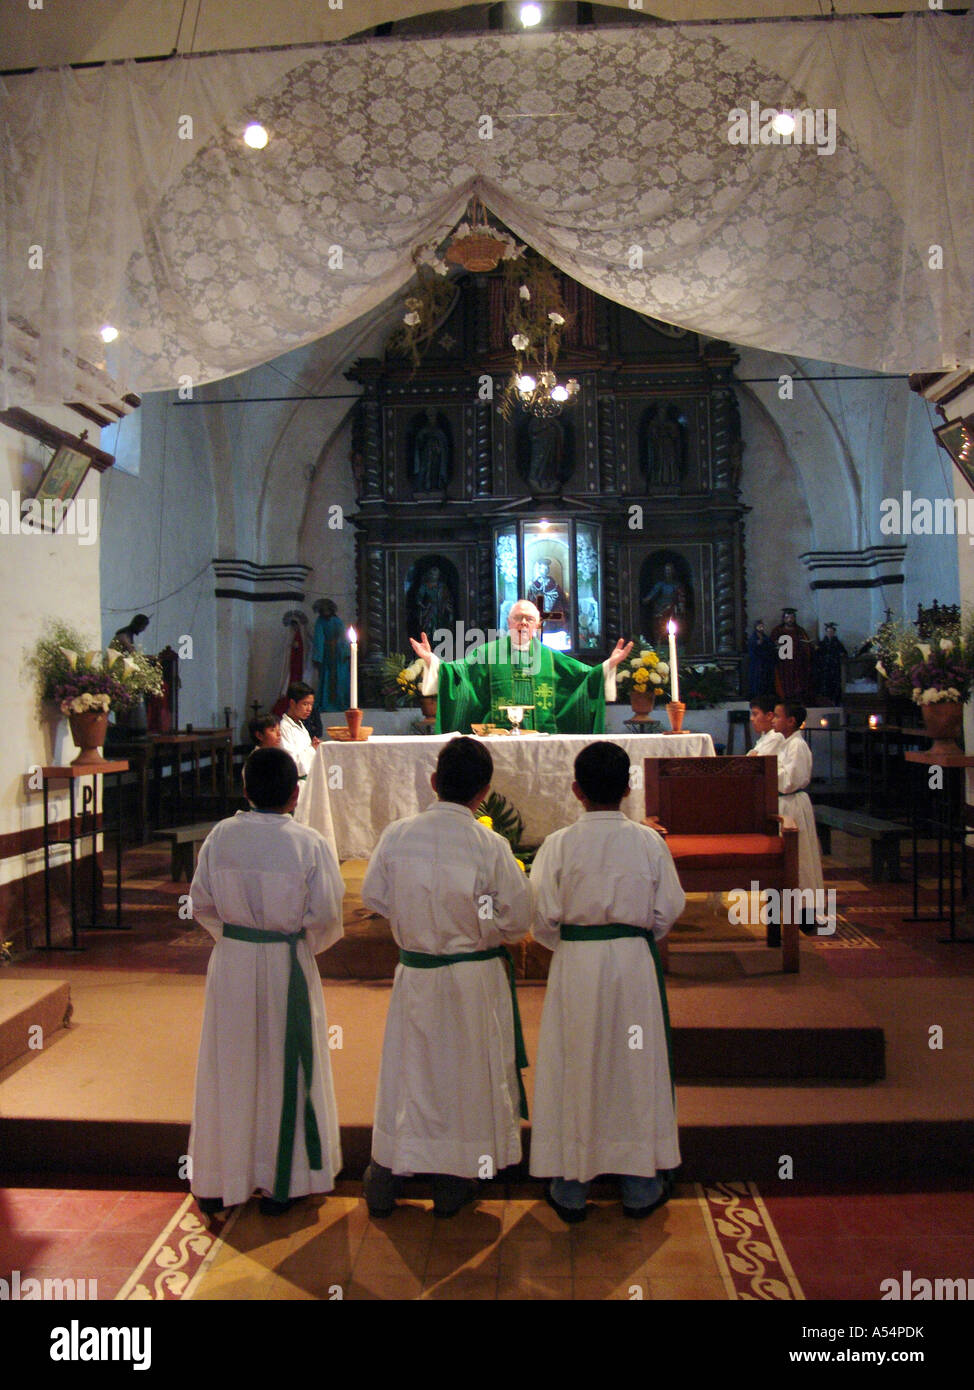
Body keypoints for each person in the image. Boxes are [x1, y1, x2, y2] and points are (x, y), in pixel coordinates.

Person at [360, 737, 531, 1218]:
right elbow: (518, 919)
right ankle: (454, 1180)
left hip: (416, 973)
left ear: (434, 782)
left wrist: (415, 920)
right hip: (472, 979)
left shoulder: (398, 834)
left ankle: (387, 1173)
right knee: (465, 1076)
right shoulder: (489, 844)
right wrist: (481, 929)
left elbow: (374, 896)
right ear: (484, 793)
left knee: (408, 1072)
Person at [529, 742, 685, 1223]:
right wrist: (637, 936)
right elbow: (670, 908)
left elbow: (540, 916)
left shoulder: (557, 843)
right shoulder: (647, 842)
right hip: (633, 963)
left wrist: (572, 944)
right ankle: (640, 1183)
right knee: (633, 1066)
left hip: (577, 961)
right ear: (628, 787)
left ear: (576, 790)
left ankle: (571, 1184)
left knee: (577, 1063)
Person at [188, 747, 345, 1217]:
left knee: (230, 1065)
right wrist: (293, 947)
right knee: (286, 1067)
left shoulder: (220, 836)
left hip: (233, 963)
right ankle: (285, 1182)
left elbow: (201, 903)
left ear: (244, 788)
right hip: (286, 965)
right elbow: (328, 917)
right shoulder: (309, 843)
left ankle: (221, 1177)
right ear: (296, 794)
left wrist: (238, 941)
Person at [410, 599, 632, 734]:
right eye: (518, 618)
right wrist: (432, 660)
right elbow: (459, 673)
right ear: (508, 623)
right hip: (497, 742)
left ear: (537, 625)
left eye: (528, 619)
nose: (523, 622)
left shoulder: (552, 658)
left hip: (542, 744)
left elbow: (585, 677)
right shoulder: (489, 653)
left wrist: (608, 665)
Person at [772, 701, 826, 936]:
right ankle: (788, 910)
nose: (773, 720)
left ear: (791, 721)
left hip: (793, 803)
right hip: (785, 803)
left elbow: (789, 779)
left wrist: (766, 771)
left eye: (777, 716)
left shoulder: (797, 746)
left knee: (801, 859)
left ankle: (806, 914)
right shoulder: (786, 743)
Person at [311, 600, 350, 714]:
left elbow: (343, 637)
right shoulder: (321, 622)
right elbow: (318, 639)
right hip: (328, 654)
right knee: (328, 678)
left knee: (340, 678)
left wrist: (345, 653)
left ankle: (340, 702)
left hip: (337, 654)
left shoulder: (336, 621)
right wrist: (318, 657)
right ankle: (327, 702)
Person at [770, 608, 813, 703]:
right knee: (783, 682)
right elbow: (771, 645)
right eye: (787, 617)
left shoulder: (800, 631)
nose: (790, 619)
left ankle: (796, 698)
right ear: (784, 619)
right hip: (783, 662)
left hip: (797, 662)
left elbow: (807, 645)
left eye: (792, 617)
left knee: (797, 681)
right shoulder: (778, 630)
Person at [279, 681, 319, 778]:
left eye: (311, 704)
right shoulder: (283, 727)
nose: (309, 709)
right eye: (305, 704)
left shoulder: (301, 724)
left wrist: (315, 747)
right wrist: (312, 749)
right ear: (292, 703)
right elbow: (291, 764)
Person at [814, 623, 847, 706]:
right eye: (828, 631)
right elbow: (817, 655)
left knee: (835, 685)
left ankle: (835, 701)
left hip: (834, 668)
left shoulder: (837, 643)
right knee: (824, 685)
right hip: (824, 668)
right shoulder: (822, 643)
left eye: (831, 632)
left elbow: (843, 653)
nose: (830, 633)